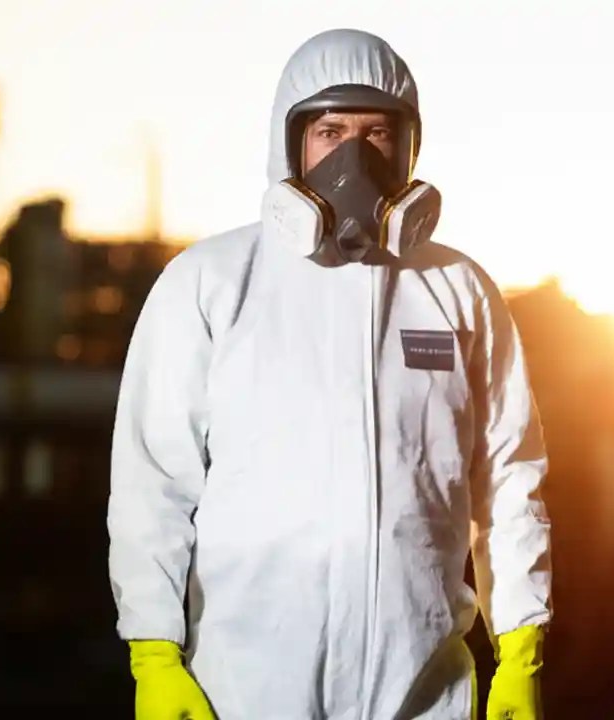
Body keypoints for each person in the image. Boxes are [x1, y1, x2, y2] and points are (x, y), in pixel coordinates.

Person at [108, 27, 552, 720]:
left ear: (410, 148)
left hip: (423, 690)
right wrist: (154, 652)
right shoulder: (210, 284)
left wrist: (520, 646)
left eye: (377, 134)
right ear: (290, 144)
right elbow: (152, 487)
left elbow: (508, 480)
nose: (353, 156)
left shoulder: (458, 291)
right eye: (330, 130)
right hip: (245, 690)